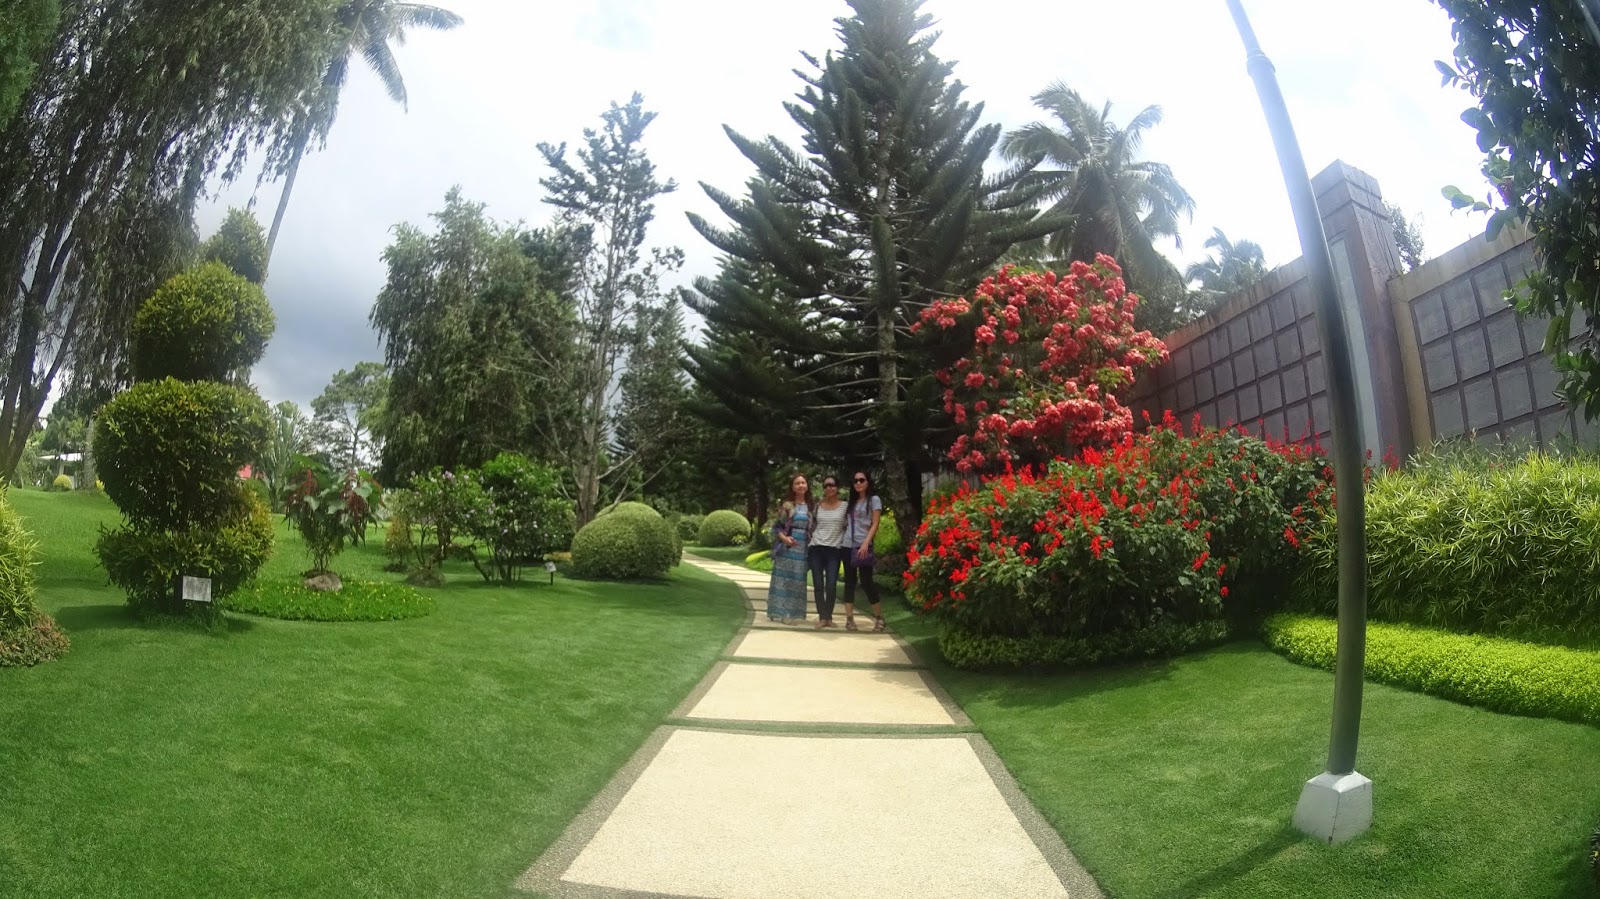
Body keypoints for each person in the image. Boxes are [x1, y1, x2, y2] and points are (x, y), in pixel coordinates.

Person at [842, 470, 885, 632]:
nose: (858, 483)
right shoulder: (852, 502)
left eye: (862, 480)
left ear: (868, 482)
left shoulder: (874, 500)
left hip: (863, 546)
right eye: (855, 481)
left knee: (867, 582)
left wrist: (866, 543)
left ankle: (879, 618)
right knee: (849, 583)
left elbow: (875, 523)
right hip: (847, 545)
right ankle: (850, 620)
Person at [767, 473, 813, 623]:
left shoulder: (812, 507)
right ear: (792, 487)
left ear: (807, 486)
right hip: (786, 549)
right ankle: (781, 612)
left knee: (798, 581)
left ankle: (794, 613)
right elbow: (776, 527)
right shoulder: (787, 506)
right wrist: (785, 539)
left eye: (803, 483)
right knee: (783, 580)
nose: (800, 485)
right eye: (797, 483)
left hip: (803, 549)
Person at [807, 475, 849, 629]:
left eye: (832, 485)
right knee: (818, 585)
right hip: (816, 548)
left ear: (837, 487)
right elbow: (812, 524)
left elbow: (850, 524)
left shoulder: (845, 506)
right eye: (825, 485)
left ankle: (829, 617)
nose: (828, 488)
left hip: (834, 550)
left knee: (831, 585)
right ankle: (822, 617)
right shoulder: (818, 505)